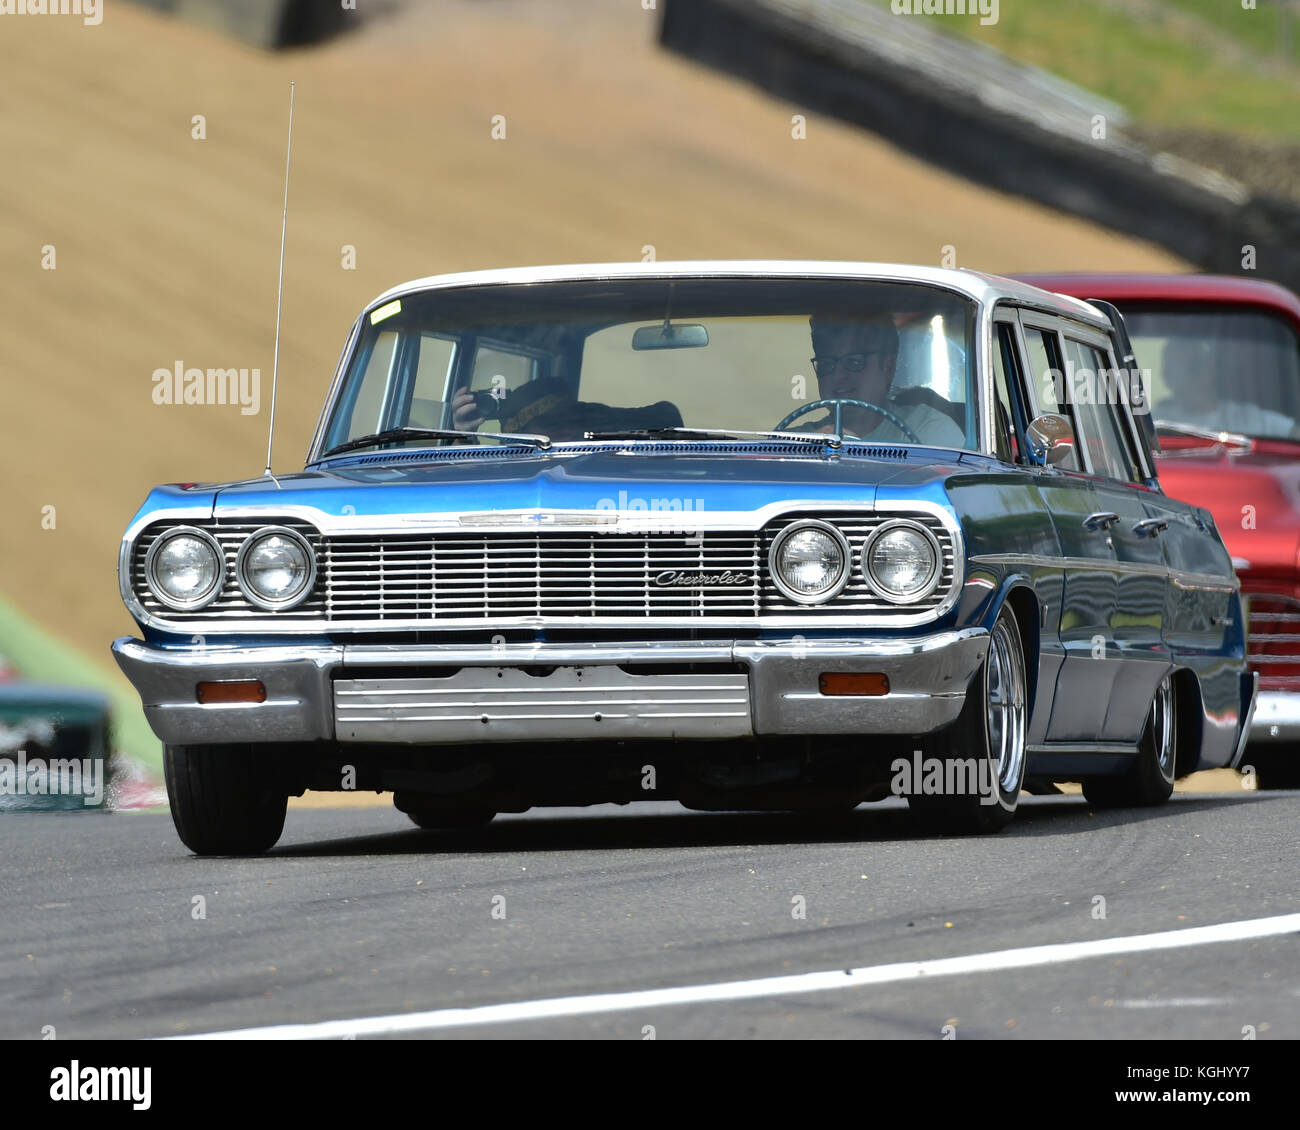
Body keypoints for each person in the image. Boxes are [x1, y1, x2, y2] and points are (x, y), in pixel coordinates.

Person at [805, 314, 965, 446]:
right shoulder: (795, 440)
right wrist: (808, 448)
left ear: (888, 367)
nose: (838, 376)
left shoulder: (928, 429)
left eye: (854, 362)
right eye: (826, 363)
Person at [1155, 337, 1296, 438]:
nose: (1194, 378)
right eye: (1179, 370)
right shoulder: (1157, 423)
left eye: (1195, 367)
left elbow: (1292, 432)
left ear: (1211, 371)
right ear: (1167, 378)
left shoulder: (1246, 419)